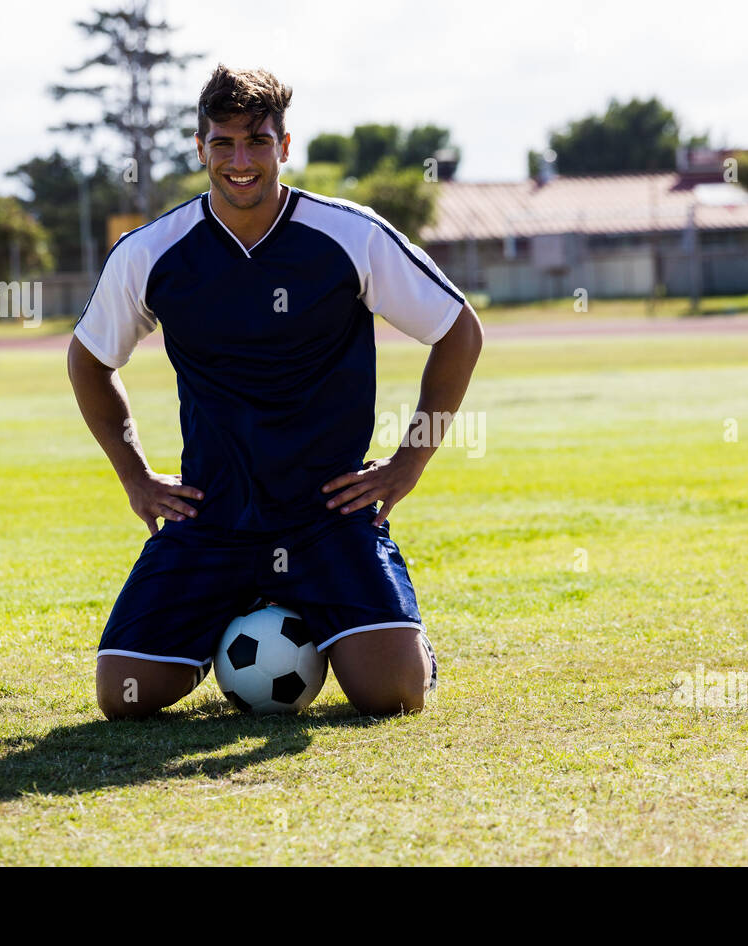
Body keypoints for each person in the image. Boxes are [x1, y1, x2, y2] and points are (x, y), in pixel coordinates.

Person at [68, 64, 483, 719]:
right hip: (214, 516)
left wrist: (409, 462)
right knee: (125, 696)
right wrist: (137, 478)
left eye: (257, 141)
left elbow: (459, 330)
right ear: (200, 147)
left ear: (284, 147)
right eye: (223, 142)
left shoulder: (350, 237)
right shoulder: (153, 253)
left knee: (393, 696)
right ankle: (240, 603)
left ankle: (399, 646)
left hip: (328, 513)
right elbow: (89, 360)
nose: (241, 160)